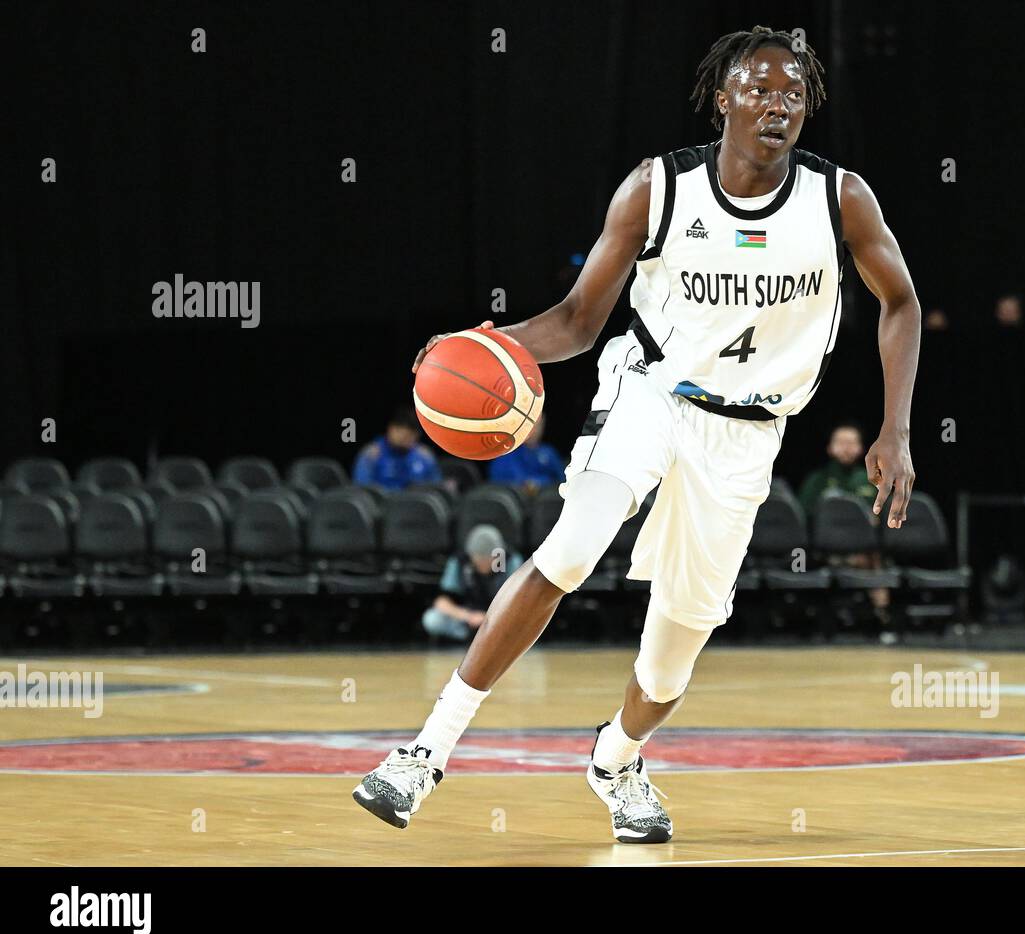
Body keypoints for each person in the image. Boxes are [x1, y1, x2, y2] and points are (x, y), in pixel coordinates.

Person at [354, 25, 921, 842]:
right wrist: (486, 346)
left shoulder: (841, 199)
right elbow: (581, 321)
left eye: (793, 93)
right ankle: (423, 753)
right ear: (723, 96)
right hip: (651, 389)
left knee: (673, 654)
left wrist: (895, 428)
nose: (777, 104)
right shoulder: (657, 190)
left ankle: (617, 760)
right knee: (574, 545)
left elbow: (901, 302)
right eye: (759, 88)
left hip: (748, 433)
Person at [798, 422, 889, 618]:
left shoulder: (872, 479)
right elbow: (802, 518)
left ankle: (882, 617)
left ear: (861, 448)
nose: (846, 448)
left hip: (864, 553)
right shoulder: (817, 480)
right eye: (840, 442)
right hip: (823, 552)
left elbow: (882, 519)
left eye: (851, 442)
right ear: (830, 448)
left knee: (875, 558)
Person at [422, 525, 522, 642]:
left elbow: (520, 600)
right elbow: (442, 601)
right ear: (471, 555)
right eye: (479, 559)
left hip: (501, 617)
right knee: (432, 619)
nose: (483, 563)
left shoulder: (510, 560)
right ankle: (472, 638)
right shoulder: (459, 562)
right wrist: (468, 616)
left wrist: (491, 618)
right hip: (468, 616)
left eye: (489, 559)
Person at [352, 408, 441, 491]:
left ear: (417, 435)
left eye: (410, 434)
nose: (403, 437)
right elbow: (361, 489)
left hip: (415, 506)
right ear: (390, 429)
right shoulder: (371, 454)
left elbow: (436, 488)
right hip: (380, 506)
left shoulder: (425, 456)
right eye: (399, 430)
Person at [487, 412, 566, 494]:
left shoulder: (549, 452)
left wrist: (539, 482)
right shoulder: (505, 453)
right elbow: (495, 485)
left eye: (538, 425)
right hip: (514, 501)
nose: (534, 430)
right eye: (529, 425)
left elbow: (562, 481)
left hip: (545, 503)